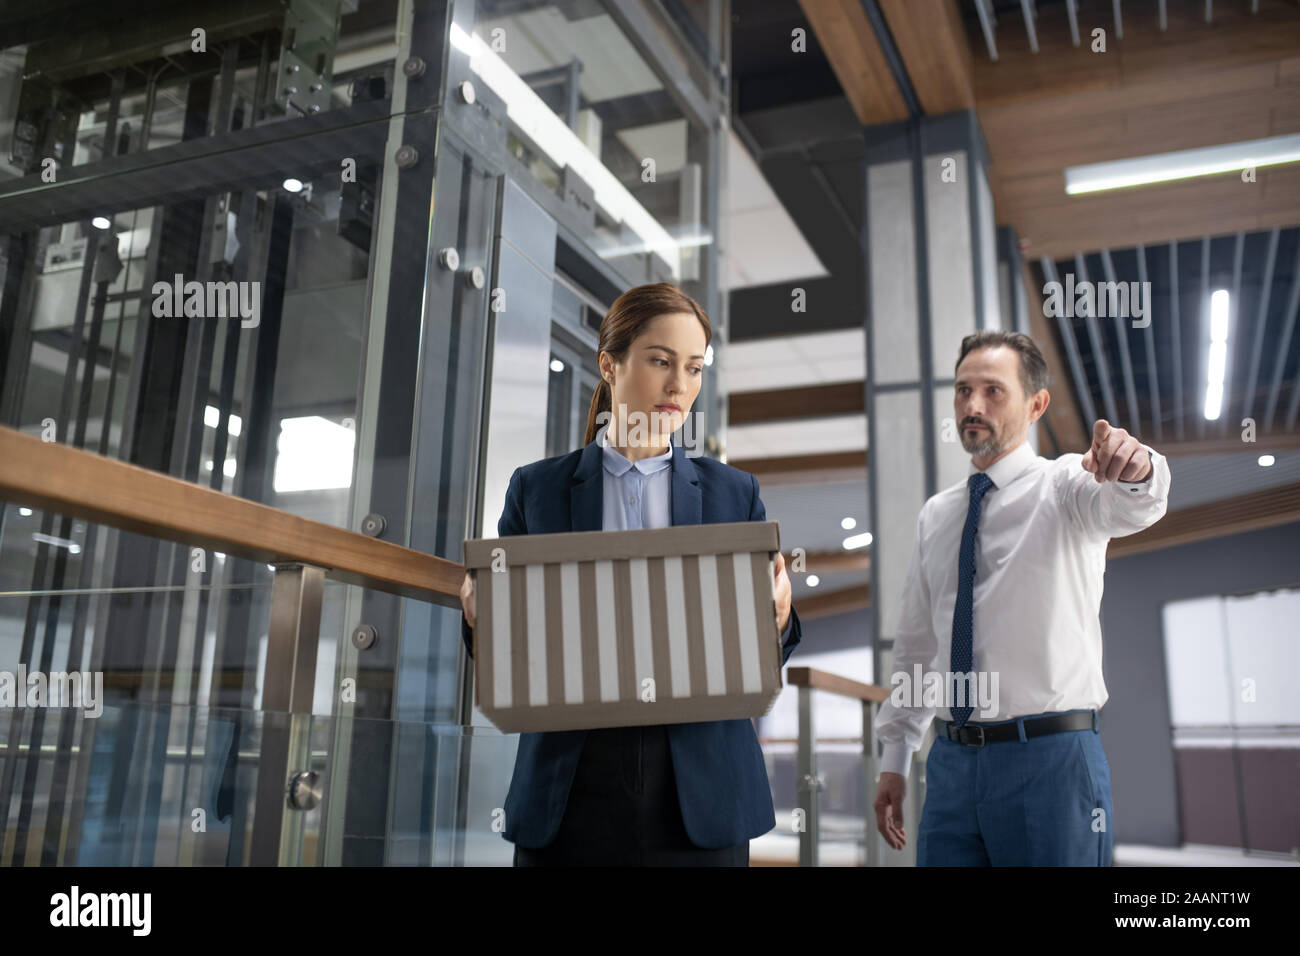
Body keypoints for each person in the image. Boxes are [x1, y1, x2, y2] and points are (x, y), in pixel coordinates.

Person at [460, 282, 802, 866]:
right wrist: (480, 620)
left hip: (700, 792)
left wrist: (779, 618)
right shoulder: (536, 489)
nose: (679, 386)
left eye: (694, 369)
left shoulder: (732, 492)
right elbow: (504, 648)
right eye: (661, 361)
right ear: (609, 364)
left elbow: (766, 645)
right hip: (570, 790)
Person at [872, 330, 1171, 866]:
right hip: (951, 766)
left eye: (992, 391)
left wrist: (1137, 466)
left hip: (1050, 761)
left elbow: (1133, 506)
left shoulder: (1066, 486)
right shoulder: (937, 515)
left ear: (1037, 404)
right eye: (963, 391)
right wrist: (895, 756)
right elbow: (917, 646)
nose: (972, 405)